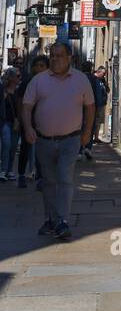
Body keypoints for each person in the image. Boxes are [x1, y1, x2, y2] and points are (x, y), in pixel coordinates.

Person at [20, 42, 95, 242]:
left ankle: (62, 220)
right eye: (52, 55)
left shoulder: (80, 80)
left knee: (64, 178)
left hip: (71, 139)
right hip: (43, 139)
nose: (55, 59)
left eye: (59, 56)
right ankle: (50, 219)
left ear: (69, 57)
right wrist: (27, 127)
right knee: (48, 181)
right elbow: (27, 106)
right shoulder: (39, 80)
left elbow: (90, 106)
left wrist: (87, 132)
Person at [16, 55, 48, 187]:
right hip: (28, 120)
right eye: (37, 66)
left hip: (43, 121)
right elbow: (20, 102)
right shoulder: (27, 82)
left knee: (42, 150)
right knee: (25, 147)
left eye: (42, 66)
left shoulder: (50, 83)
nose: (39, 68)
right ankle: (21, 175)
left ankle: (40, 177)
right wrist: (19, 119)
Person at [0, 68, 21, 180]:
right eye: (17, 76)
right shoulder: (3, 90)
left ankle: (9, 170)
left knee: (13, 147)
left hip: (16, 122)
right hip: (5, 121)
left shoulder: (19, 91)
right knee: (6, 144)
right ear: (11, 77)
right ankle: (3, 170)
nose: (19, 78)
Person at [91, 66, 109, 145]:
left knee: (98, 121)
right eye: (103, 73)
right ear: (99, 72)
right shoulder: (93, 79)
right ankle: (91, 137)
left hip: (101, 103)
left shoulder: (102, 80)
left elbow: (107, 89)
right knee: (94, 120)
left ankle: (96, 137)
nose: (104, 75)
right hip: (94, 103)